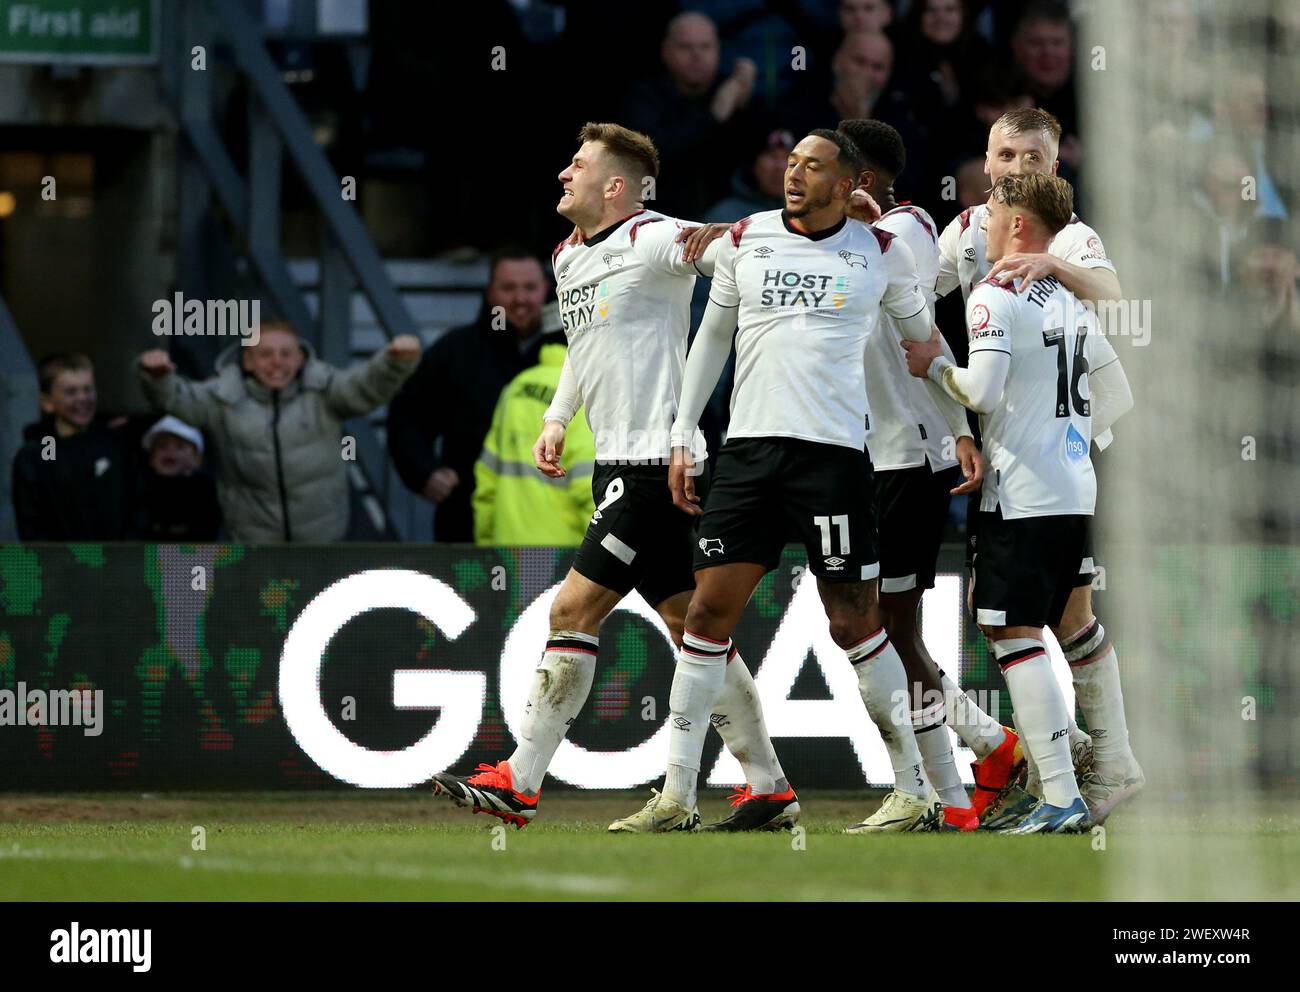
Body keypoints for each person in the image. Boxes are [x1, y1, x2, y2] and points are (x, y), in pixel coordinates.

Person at [431, 123, 794, 833]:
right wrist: (559, 418)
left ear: (616, 186)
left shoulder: (653, 238)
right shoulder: (568, 257)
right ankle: (770, 785)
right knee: (694, 627)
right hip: (617, 463)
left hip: (657, 463)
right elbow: (582, 344)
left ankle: (520, 780)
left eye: (579, 164)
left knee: (572, 612)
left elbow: (728, 245)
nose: (564, 173)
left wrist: (748, 232)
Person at [609, 129, 944, 835]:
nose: (794, 175)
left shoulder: (880, 253)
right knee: (705, 618)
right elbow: (713, 337)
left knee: (856, 622)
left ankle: (914, 791)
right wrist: (682, 433)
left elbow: (922, 341)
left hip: (834, 462)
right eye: (791, 164)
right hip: (751, 459)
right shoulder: (745, 237)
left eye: (812, 167)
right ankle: (676, 796)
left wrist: (960, 426)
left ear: (849, 183)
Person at [902, 172, 1134, 833]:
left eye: (995, 210)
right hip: (1072, 484)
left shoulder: (995, 293)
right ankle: (1066, 785)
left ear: (1020, 226)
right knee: (1032, 626)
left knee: (1011, 630)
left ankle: (1059, 794)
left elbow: (981, 391)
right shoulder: (1067, 295)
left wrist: (932, 365)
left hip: (1024, 490)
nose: (984, 218)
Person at [839, 118, 989, 831]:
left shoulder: (912, 224)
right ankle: (954, 795)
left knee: (890, 627)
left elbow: (922, 319)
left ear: (863, 179)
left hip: (912, 455)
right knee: (892, 628)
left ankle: (987, 756)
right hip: (880, 457)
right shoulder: (850, 243)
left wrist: (961, 431)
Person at [138, 322, 419, 543]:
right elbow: (182, 400)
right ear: (247, 361)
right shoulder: (223, 396)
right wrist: (156, 378)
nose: (277, 363)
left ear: (299, 358)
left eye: (286, 354)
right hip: (253, 545)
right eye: (265, 354)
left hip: (323, 543)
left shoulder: (323, 389)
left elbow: (363, 386)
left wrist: (394, 362)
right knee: (264, 614)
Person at [387, 248, 553, 542]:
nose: (520, 299)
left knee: (547, 592)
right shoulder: (457, 351)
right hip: (466, 528)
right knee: (469, 591)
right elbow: (407, 416)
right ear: (490, 292)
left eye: (530, 288)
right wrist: (424, 472)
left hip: (551, 529)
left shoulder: (575, 353)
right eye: (508, 288)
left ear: (546, 290)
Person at [618, 12, 756, 219]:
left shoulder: (731, 91)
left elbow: (756, 157)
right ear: (666, 52)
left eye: (705, 47)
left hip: (726, 220)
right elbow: (653, 153)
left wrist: (746, 103)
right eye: (685, 47)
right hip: (659, 217)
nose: (697, 56)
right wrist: (713, 115)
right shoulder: (644, 96)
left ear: (719, 51)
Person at [472, 342, 596, 546]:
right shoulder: (583, 391)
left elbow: (486, 480)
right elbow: (588, 486)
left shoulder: (515, 387)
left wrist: (486, 543)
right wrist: (598, 562)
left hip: (506, 549)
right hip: (565, 554)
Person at [11, 353, 135, 540]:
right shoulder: (42, 449)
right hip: (59, 564)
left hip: (115, 561)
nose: (82, 399)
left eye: (88, 390)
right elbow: (32, 521)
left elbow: (136, 506)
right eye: (71, 392)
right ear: (47, 402)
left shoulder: (113, 443)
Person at [133, 415, 222, 541]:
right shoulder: (145, 487)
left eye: (179, 446)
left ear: (196, 460)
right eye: (162, 446)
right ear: (151, 459)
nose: (170, 451)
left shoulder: (203, 489)